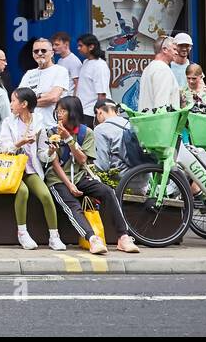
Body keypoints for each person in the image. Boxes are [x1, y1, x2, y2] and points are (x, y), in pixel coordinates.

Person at [46, 96, 140, 254]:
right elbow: (54, 163)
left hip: (80, 176)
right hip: (58, 179)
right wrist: (69, 185)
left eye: (63, 111)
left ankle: (123, 237)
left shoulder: (86, 133)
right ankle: (92, 239)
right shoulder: (51, 132)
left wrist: (68, 138)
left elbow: (82, 159)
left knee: (107, 192)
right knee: (73, 206)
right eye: (58, 110)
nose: (59, 114)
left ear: (73, 113)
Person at [0, 86, 64, 251]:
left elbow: (42, 155)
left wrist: (50, 151)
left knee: (45, 195)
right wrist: (20, 142)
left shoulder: (39, 123)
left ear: (24, 104)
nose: (11, 104)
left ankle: (54, 237)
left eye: (13, 100)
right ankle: (22, 233)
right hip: (12, 169)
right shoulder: (8, 122)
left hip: (30, 168)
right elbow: (3, 148)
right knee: (23, 192)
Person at [19, 37, 70, 127]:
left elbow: (53, 97)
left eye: (43, 50)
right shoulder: (29, 74)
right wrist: (41, 96)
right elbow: (19, 98)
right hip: (30, 127)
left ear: (52, 53)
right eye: (36, 51)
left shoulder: (60, 70)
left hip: (52, 126)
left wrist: (29, 102)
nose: (39, 53)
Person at [137, 36, 180, 113]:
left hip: (147, 121)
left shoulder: (149, 68)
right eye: (174, 49)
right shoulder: (162, 69)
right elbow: (161, 106)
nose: (176, 53)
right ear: (164, 49)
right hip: (160, 122)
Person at [74, 34, 110, 125]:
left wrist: (99, 115)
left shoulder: (100, 65)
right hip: (82, 111)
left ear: (91, 47)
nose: (78, 48)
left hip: (92, 114)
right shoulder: (86, 62)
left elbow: (102, 94)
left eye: (81, 46)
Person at [94, 98, 136, 174]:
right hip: (145, 177)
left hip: (123, 179)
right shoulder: (131, 123)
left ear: (99, 112)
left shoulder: (100, 129)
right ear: (117, 112)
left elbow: (102, 166)